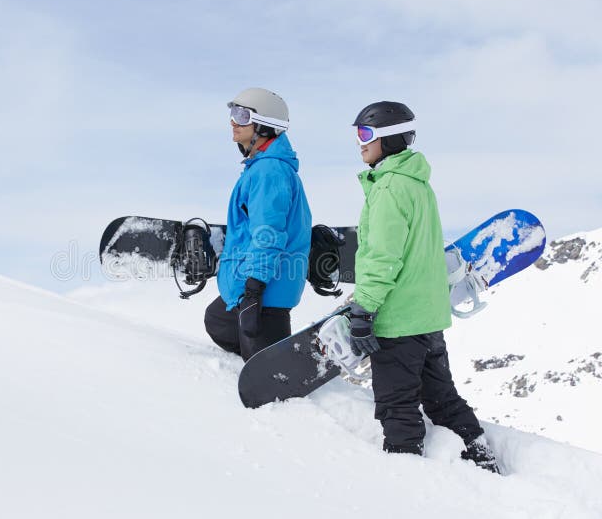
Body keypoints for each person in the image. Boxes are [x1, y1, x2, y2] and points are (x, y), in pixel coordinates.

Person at [346, 101, 500, 473]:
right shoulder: (418, 185)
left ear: (389, 138)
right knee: (442, 399)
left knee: (396, 406)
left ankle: (407, 484)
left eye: (365, 134)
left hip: (398, 321)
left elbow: (383, 256)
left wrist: (364, 308)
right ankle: (486, 462)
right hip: (427, 319)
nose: (359, 143)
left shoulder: (389, 189)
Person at [204, 88, 312, 362]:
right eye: (232, 113)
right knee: (218, 320)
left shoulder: (269, 171)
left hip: (267, 292)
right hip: (253, 284)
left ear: (265, 126)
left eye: (242, 116)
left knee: (269, 381)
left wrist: (254, 289)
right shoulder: (260, 168)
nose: (233, 121)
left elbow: (268, 233)